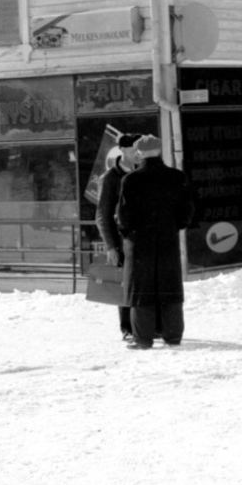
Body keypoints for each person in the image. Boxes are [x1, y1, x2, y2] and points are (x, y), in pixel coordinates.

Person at [115, 134, 195, 348]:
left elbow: (124, 215)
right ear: (160, 151)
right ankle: (173, 335)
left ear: (139, 153)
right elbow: (186, 210)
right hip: (168, 240)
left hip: (140, 243)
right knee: (170, 287)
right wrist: (174, 226)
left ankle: (143, 339)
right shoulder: (177, 177)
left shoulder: (131, 179)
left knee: (142, 291)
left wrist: (129, 234)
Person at [95, 137, 138, 339]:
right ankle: (127, 328)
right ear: (122, 150)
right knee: (125, 284)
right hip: (122, 242)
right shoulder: (111, 178)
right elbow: (103, 215)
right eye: (133, 149)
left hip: (142, 239)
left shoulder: (142, 172)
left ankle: (148, 325)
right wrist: (111, 246)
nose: (137, 153)